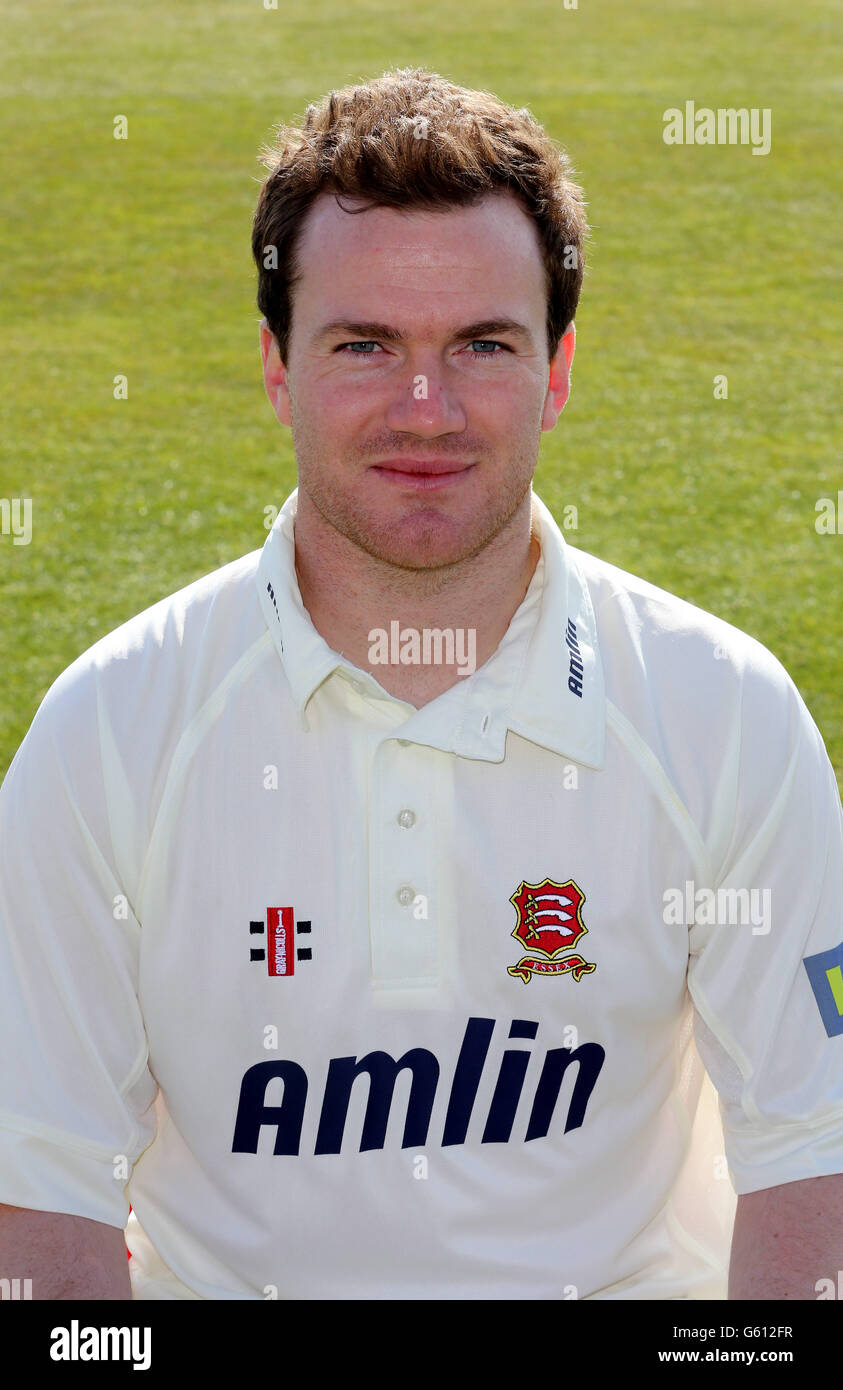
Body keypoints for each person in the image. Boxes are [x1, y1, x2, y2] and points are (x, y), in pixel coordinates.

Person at [0, 66, 841, 1302]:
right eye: (364, 345)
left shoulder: (727, 715)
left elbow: (813, 1160)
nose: (425, 407)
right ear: (278, 369)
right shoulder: (106, 734)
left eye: (482, 346)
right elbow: (43, 1195)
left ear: (557, 372)